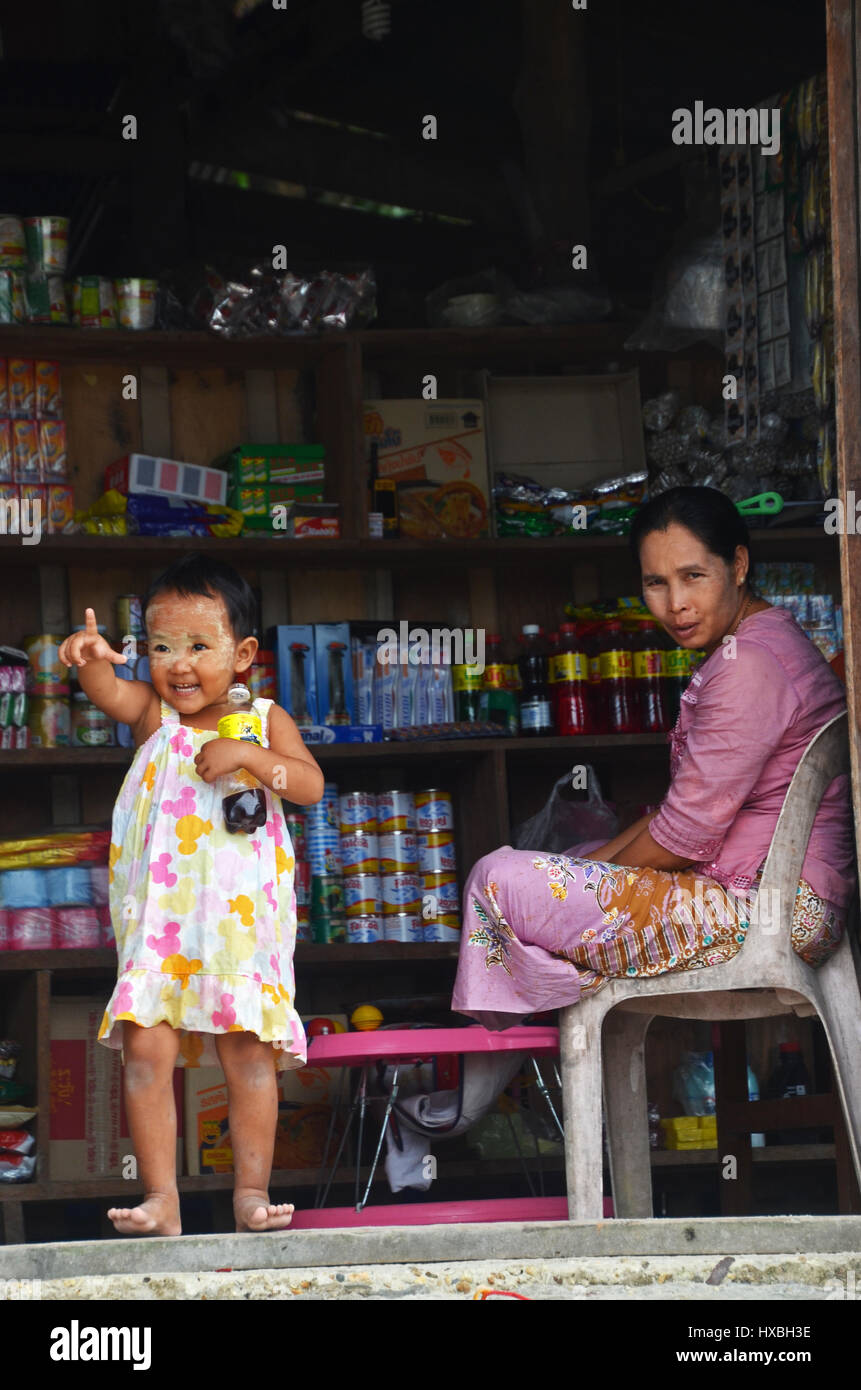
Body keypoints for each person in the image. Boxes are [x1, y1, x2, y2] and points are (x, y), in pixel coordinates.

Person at [452, 486, 856, 1029]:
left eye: (693, 576)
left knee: (498, 878)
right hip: (761, 893)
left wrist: (583, 891)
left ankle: (501, 1041)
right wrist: (585, 873)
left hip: (765, 910)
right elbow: (671, 823)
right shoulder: (765, 640)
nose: (676, 604)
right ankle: (535, 1007)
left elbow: (682, 837)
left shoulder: (749, 665)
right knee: (572, 855)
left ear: (738, 564)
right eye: (655, 583)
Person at [58, 554, 324, 1235]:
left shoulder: (264, 720)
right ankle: (161, 1198)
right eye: (160, 646)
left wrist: (250, 758)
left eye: (198, 647)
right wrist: (89, 658)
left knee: (248, 1055)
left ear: (242, 655)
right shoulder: (154, 717)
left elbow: (309, 785)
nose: (177, 664)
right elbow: (106, 691)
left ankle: (250, 1193)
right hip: (160, 928)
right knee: (147, 1052)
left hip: (242, 930)